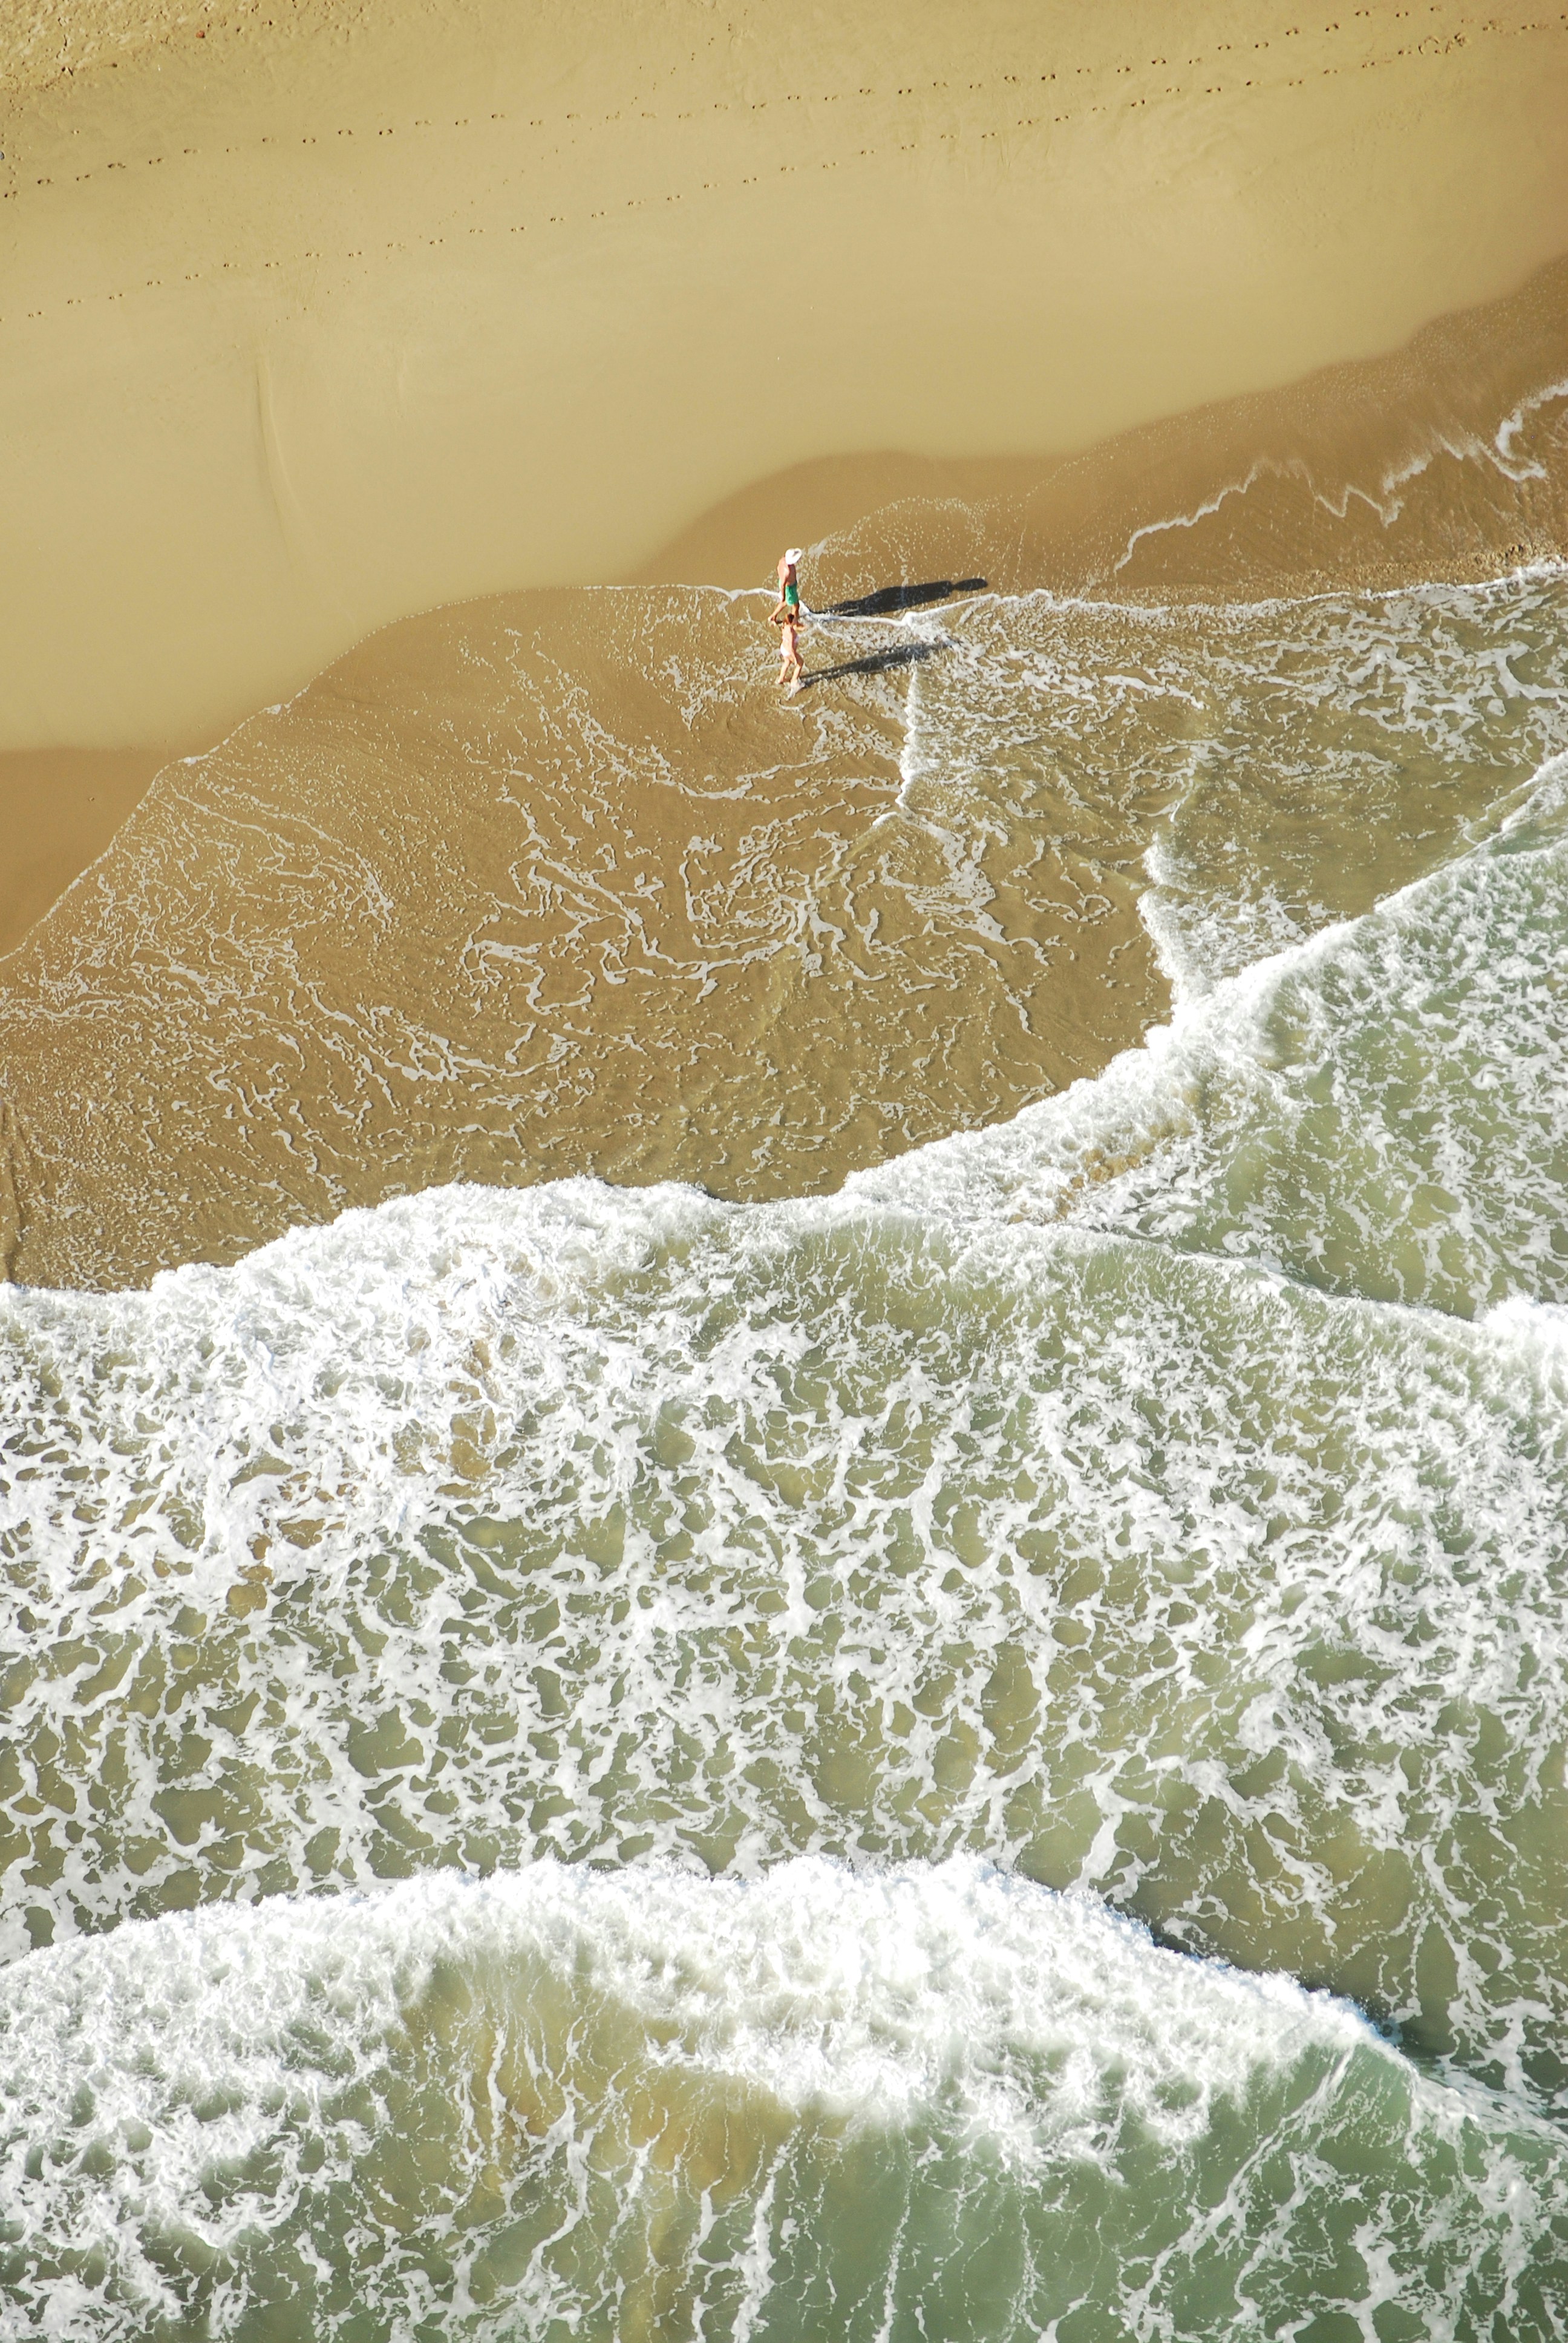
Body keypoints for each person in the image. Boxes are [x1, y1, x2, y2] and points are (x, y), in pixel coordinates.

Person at [771, 547, 805, 691]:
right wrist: (795, 657)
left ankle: (780, 679)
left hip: (784, 649)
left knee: (787, 603)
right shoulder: (787, 571)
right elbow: (784, 582)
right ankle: (793, 682)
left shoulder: (782, 561)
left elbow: (781, 577)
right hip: (789, 588)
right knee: (795, 605)